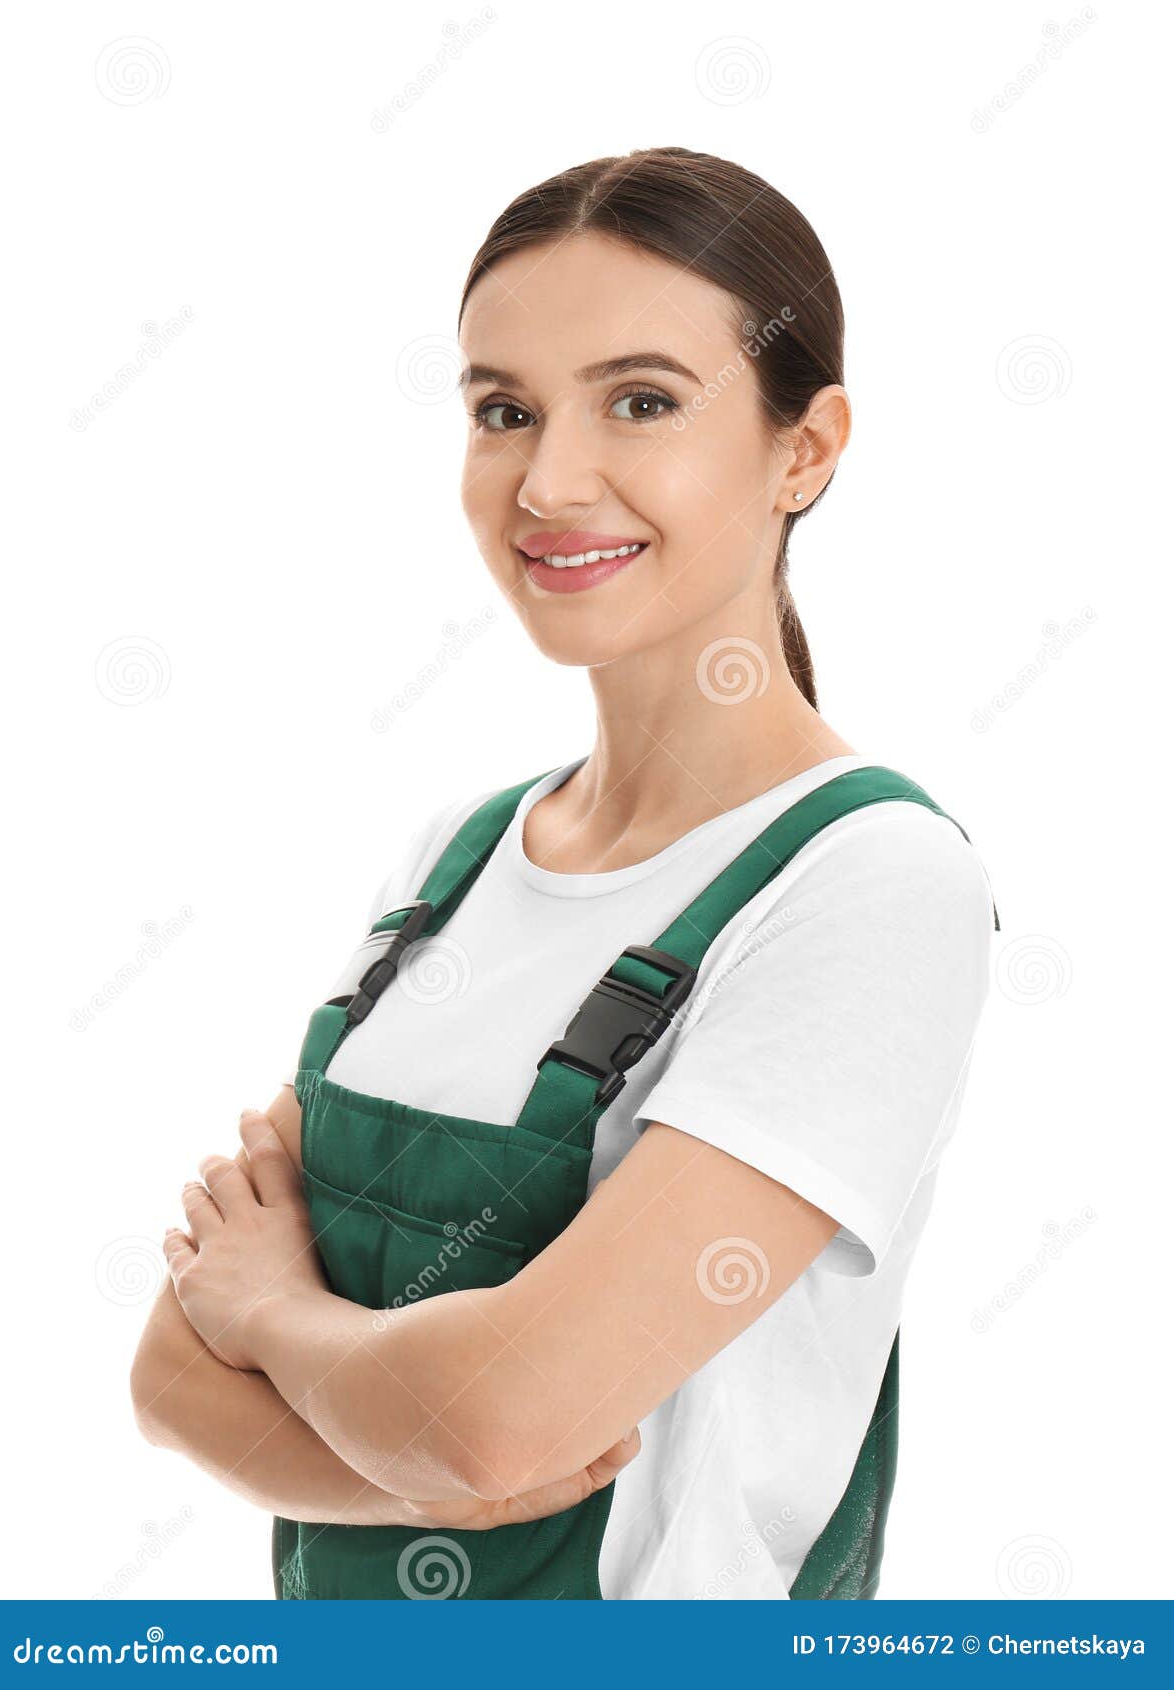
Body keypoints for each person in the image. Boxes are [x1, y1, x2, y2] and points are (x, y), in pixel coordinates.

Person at [130, 146, 997, 1601]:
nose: (547, 479)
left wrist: (277, 1312)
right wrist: (429, 1446)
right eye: (503, 410)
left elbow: (496, 1418)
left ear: (806, 447)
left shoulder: (869, 885)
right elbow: (169, 1379)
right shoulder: (459, 862)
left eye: (642, 401)